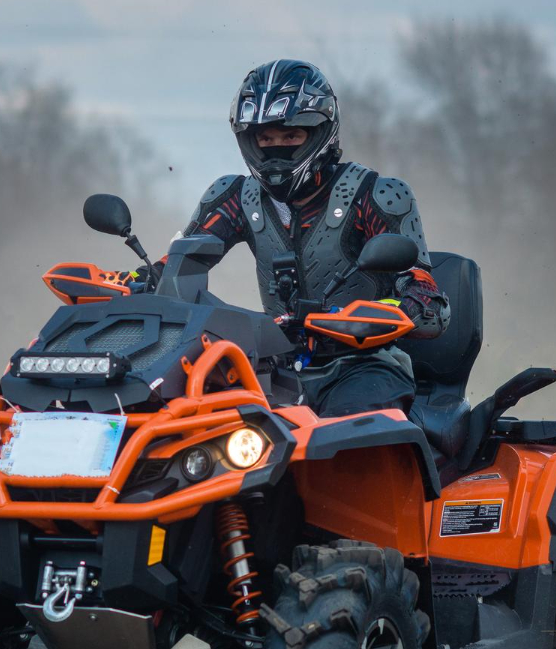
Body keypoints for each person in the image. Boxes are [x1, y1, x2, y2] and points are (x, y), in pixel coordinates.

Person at [168, 59, 448, 417]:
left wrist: (381, 315)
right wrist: (132, 283)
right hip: (270, 372)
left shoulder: (375, 194)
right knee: (195, 417)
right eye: (265, 138)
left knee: (348, 436)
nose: (275, 149)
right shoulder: (234, 197)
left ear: (319, 133)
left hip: (363, 367)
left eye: (290, 136)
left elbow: (430, 304)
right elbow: (175, 269)